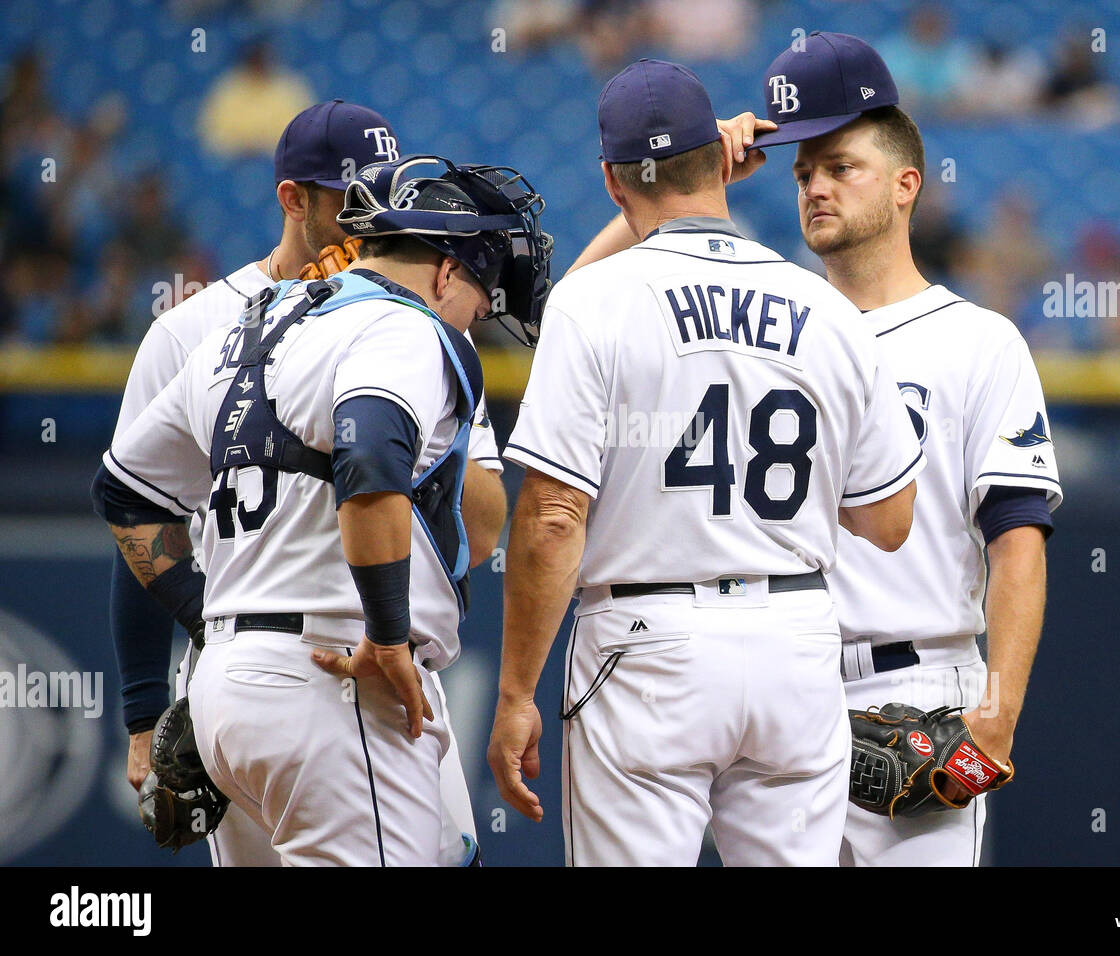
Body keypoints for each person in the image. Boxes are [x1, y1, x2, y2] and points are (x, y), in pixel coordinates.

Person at [570, 31, 1062, 867]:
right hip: (782, 679)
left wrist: (999, 706)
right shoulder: (775, 324)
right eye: (803, 174)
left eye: (841, 169)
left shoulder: (980, 342)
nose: (815, 187)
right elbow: (577, 307)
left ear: (908, 185)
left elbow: (1017, 540)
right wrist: (697, 179)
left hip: (920, 691)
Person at [487, 58, 923, 866]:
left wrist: (516, 693)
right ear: (720, 164)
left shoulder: (597, 300)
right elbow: (890, 522)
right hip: (794, 642)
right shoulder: (827, 309)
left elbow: (552, 518)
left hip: (648, 644)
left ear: (614, 183)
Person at [97, 150, 539, 865]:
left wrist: (207, 615)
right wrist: (391, 633)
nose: (477, 317)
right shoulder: (403, 328)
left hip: (227, 688)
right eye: (480, 296)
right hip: (335, 677)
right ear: (446, 270)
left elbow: (125, 493)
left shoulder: (248, 326)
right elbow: (369, 457)